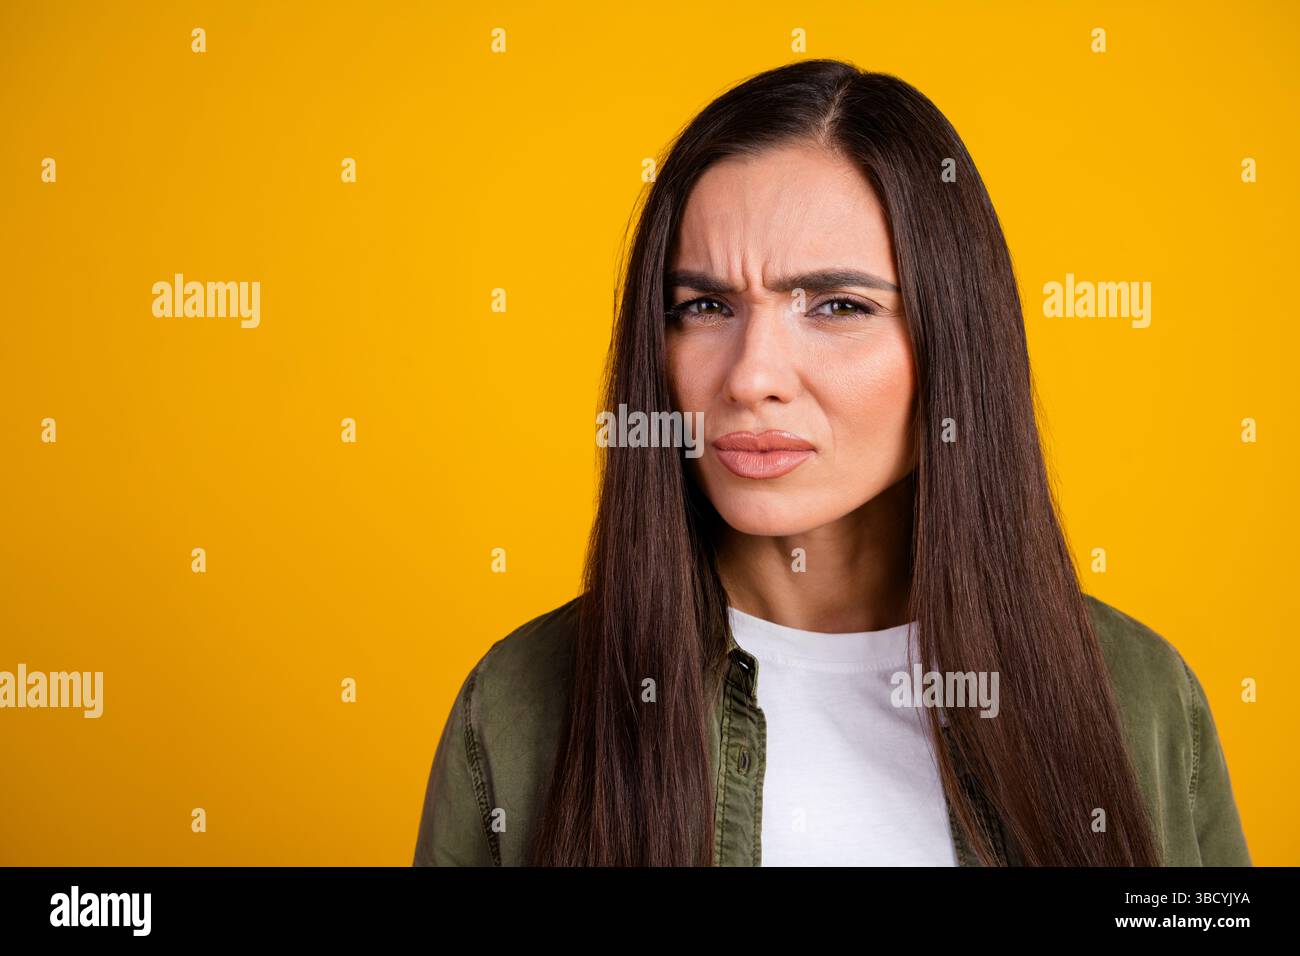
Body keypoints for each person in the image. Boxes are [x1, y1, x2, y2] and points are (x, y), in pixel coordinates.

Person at [414, 58, 1250, 867]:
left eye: (838, 305)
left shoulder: (1139, 696)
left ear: (952, 341)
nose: (751, 378)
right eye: (704, 306)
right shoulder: (522, 707)